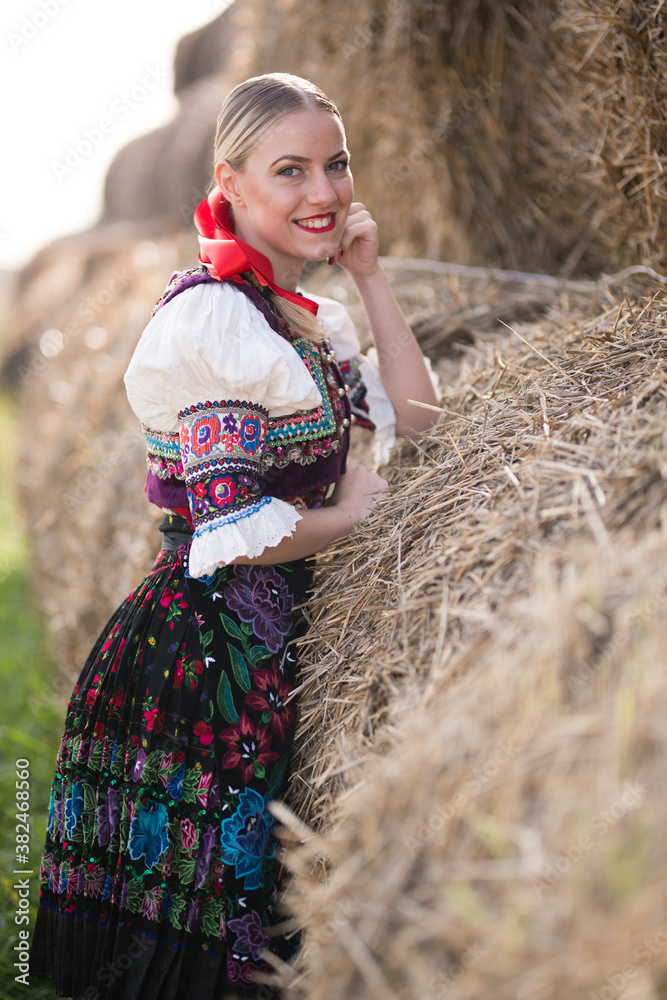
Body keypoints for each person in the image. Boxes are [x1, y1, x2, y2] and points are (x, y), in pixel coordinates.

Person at [29, 72, 439, 1000]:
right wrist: (356, 515)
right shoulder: (213, 321)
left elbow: (414, 419)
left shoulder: (296, 320)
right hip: (202, 666)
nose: (324, 192)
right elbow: (231, 529)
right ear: (232, 184)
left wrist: (370, 280)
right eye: (288, 171)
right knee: (215, 956)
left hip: (267, 649)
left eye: (335, 165)